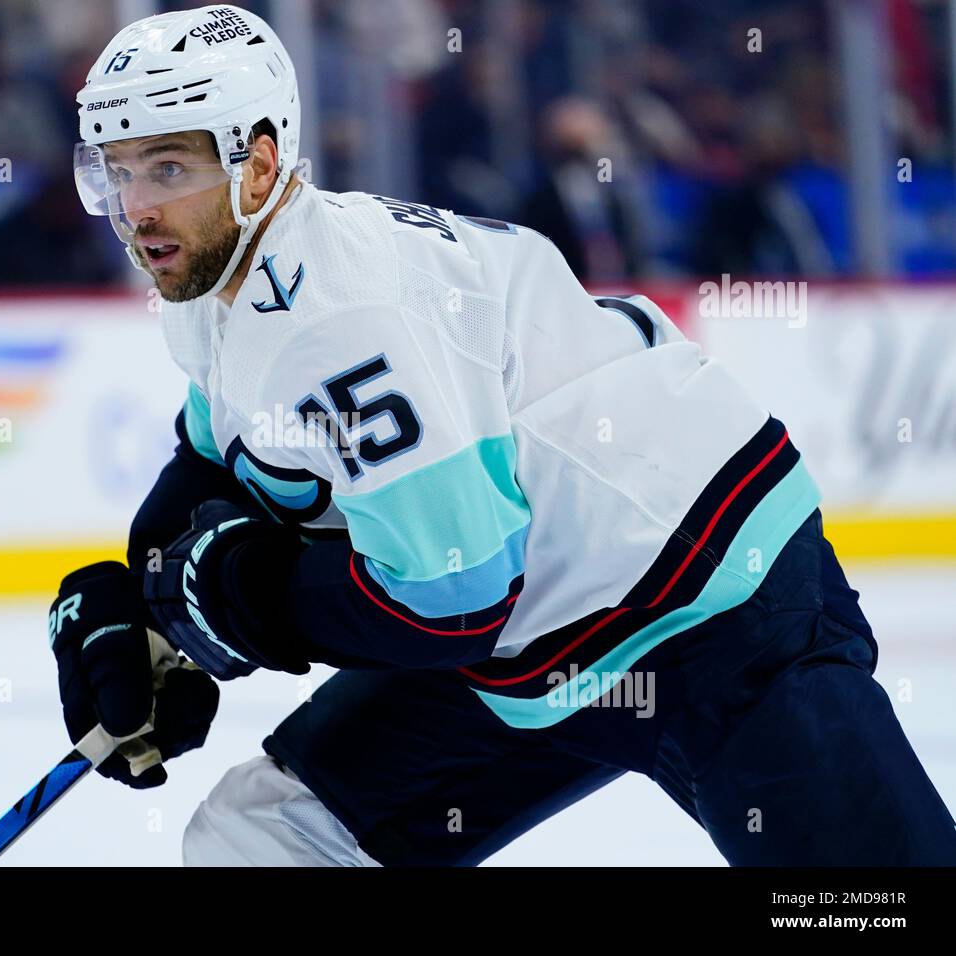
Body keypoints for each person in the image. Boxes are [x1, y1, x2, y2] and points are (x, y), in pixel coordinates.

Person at [46, 4, 956, 866]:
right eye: (116, 173)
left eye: (167, 169)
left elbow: (452, 597)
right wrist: (147, 597)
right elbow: (217, 464)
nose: (136, 209)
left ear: (258, 164)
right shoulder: (220, 281)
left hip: (708, 610)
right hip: (531, 644)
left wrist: (234, 601)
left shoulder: (337, 322)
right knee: (266, 840)